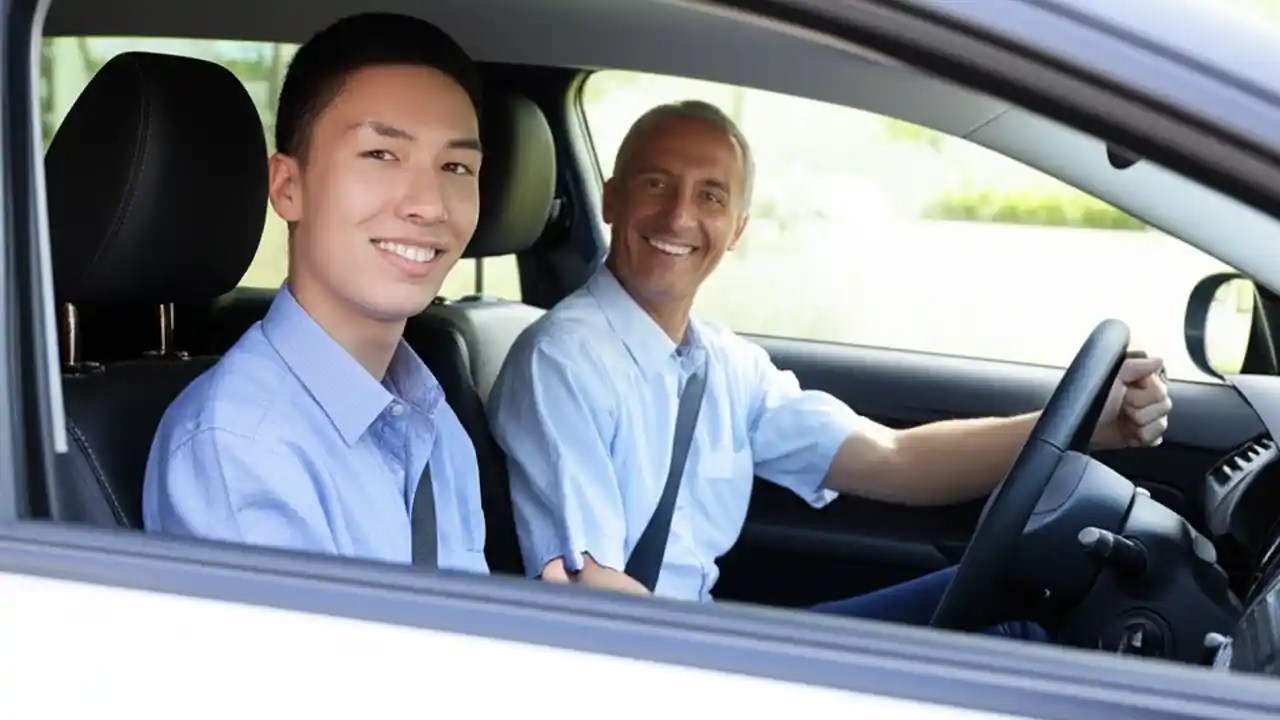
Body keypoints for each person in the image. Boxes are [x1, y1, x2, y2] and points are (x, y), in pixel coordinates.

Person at [486, 100, 1172, 636]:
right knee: (1016, 636)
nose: (678, 215)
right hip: (656, 664)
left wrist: (1087, 426)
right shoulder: (564, 360)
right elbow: (587, 593)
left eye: (711, 196)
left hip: (702, 638)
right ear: (612, 199)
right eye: (656, 184)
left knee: (1023, 602)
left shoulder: (722, 363)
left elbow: (893, 458)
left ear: (737, 228)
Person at [142, 13, 489, 574]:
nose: (430, 205)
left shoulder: (435, 421)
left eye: (456, 166)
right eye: (381, 155)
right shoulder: (241, 445)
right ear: (288, 187)